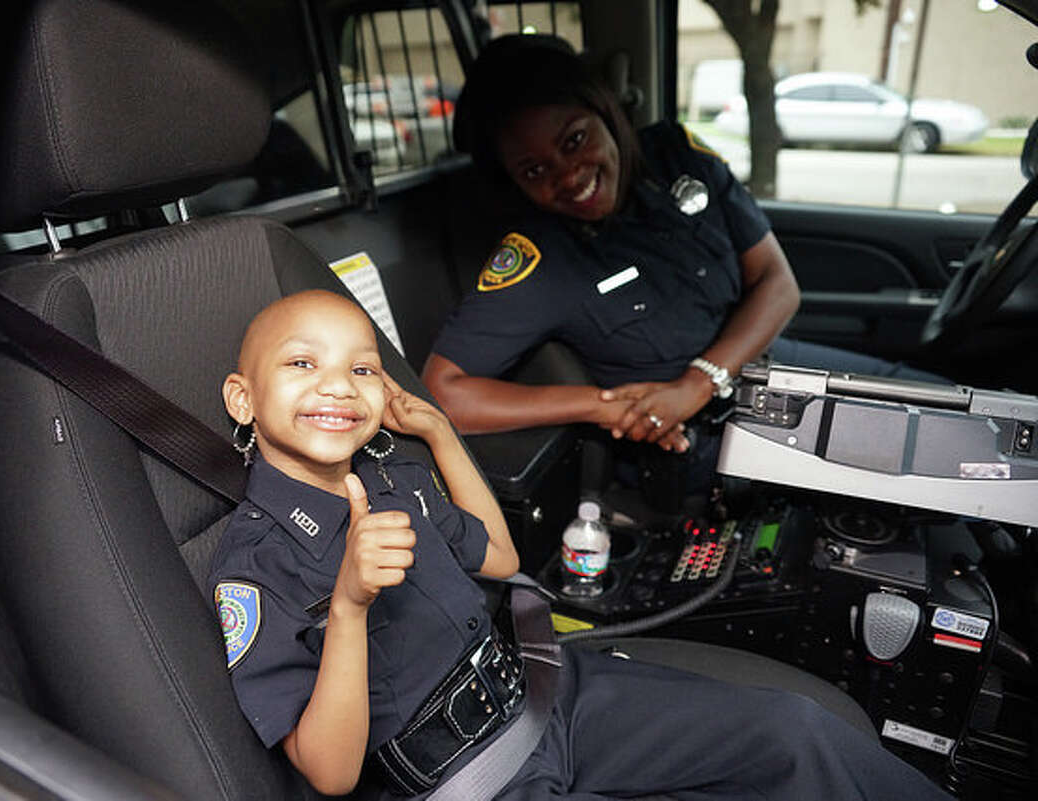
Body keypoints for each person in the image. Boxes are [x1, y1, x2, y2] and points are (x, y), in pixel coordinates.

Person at [206, 289, 951, 799]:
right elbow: (330, 774)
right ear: (243, 399)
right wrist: (349, 606)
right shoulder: (254, 566)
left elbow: (500, 558)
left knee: (795, 733)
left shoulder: (393, 476)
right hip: (470, 778)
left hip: (550, 696)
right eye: (301, 364)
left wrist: (438, 430)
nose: (338, 386)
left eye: (362, 368)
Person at [422, 35, 944, 506]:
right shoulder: (541, 256)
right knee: (916, 476)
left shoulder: (677, 155)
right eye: (535, 170)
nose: (568, 175)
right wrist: (601, 406)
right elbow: (443, 391)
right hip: (699, 443)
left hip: (764, 367)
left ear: (604, 111)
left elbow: (777, 282)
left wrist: (700, 381)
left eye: (574, 140)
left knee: (946, 416)